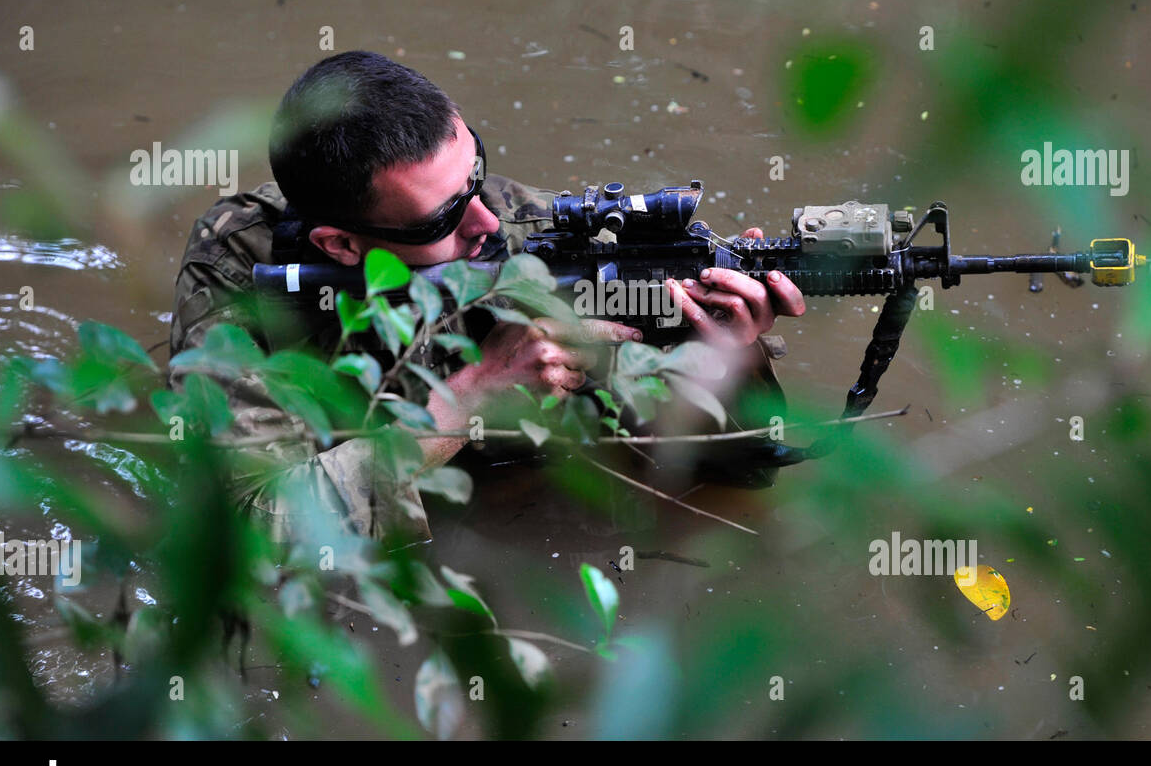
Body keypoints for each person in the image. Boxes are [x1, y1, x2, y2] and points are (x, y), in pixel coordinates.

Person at [168, 50, 804, 544]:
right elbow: (250, 532)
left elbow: (739, 476)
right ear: (341, 246)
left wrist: (730, 360)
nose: (488, 223)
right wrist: (469, 399)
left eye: (476, 173)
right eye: (443, 218)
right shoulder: (243, 269)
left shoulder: (540, 235)